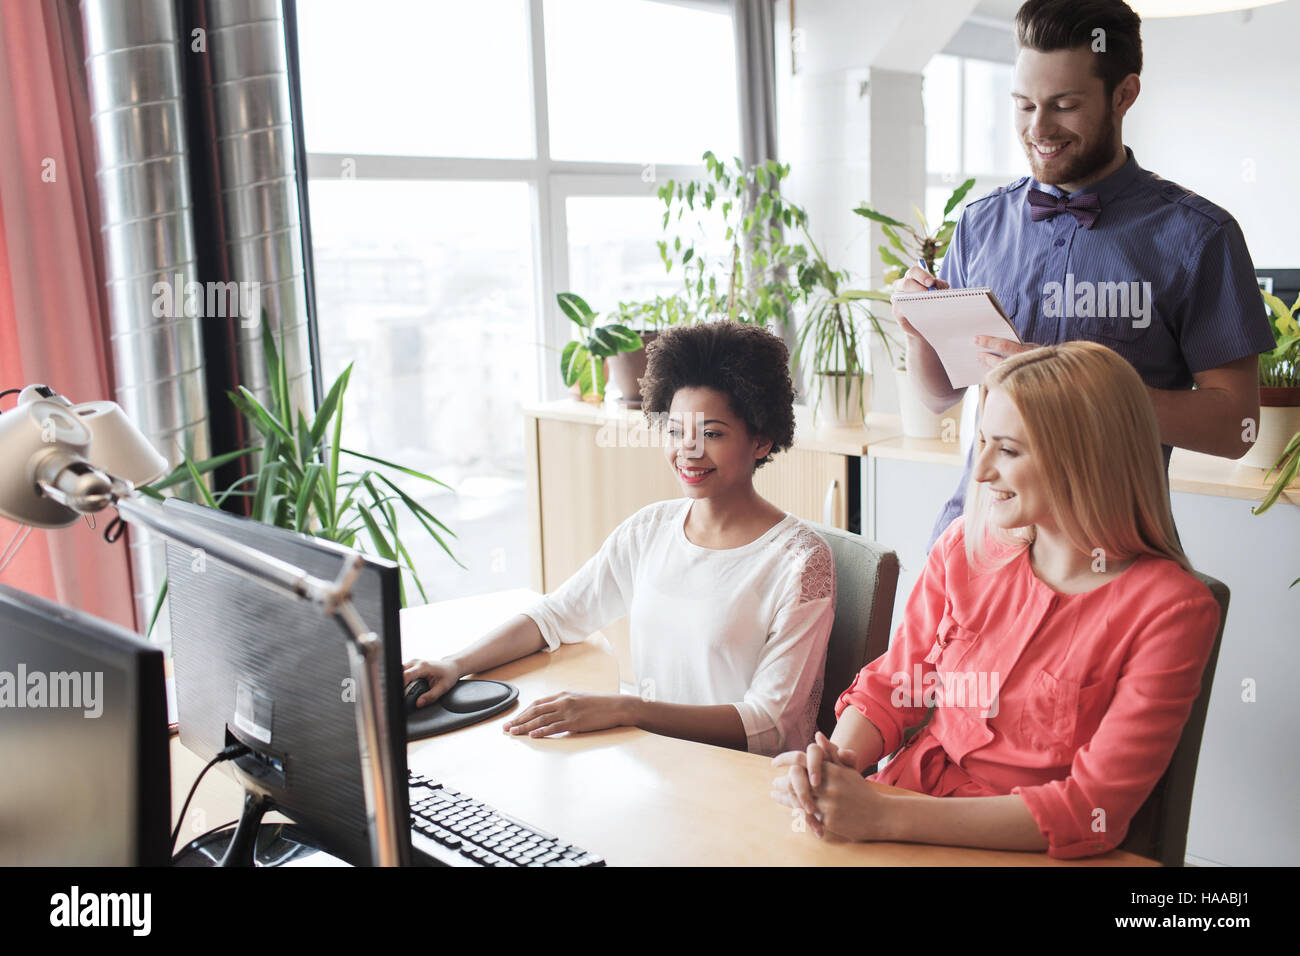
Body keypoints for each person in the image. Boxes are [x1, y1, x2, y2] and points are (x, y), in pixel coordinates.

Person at [770, 342, 1221, 858]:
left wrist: (884, 813)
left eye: (1006, 450)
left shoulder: (1172, 611)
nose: (979, 471)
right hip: (896, 817)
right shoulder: (964, 547)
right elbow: (895, 686)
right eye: (981, 442)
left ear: (1086, 457)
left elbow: (1092, 809)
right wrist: (835, 765)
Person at [895, 0, 1275, 550]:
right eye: (1023, 105)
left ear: (1124, 95)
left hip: (1107, 563)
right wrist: (918, 330)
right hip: (970, 548)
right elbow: (938, 397)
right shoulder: (982, 223)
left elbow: (1236, 428)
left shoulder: (1200, 236)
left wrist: (1077, 388)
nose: (1038, 129)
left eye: (1064, 105)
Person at [404, 321, 836, 757]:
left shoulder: (800, 562)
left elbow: (769, 724)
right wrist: (454, 665)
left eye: (711, 434)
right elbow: (555, 615)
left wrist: (630, 709)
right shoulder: (649, 531)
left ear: (761, 440)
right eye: (675, 431)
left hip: (751, 790)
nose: (687, 450)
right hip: (663, 768)